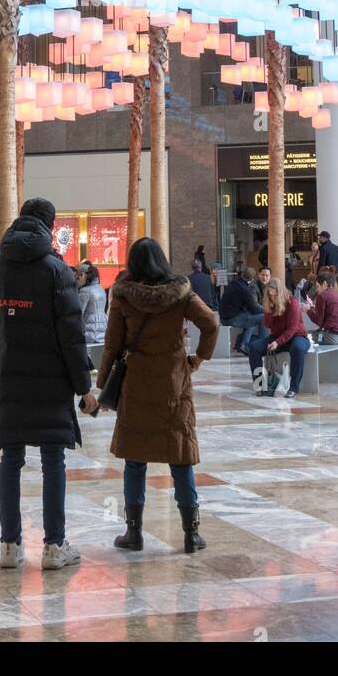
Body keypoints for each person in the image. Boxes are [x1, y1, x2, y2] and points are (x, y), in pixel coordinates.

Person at [0, 198, 93, 571]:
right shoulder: (56, 271)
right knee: (52, 458)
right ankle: (54, 546)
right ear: (48, 224)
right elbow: (71, 336)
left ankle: (9, 545)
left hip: (9, 377)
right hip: (52, 381)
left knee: (11, 457)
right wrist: (83, 385)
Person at [96, 237, 219, 554]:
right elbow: (211, 323)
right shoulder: (181, 293)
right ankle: (191, 535)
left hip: (136, 383)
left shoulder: (122, 296)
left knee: (135, 461)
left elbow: (112, 344)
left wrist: (102, 383)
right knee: (180, 458)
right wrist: (198, 360)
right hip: (173, 384)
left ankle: (133, 533)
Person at [248, 277, 310, 400]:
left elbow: (292, 329)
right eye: (270, 294)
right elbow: (267, 324)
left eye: (274, 293)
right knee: (254, 347)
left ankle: (293, 387)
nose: (272, 296)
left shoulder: (292, 303)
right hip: (277, 337)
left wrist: (277, 342)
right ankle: (260, 385)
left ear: (280, 291)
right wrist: (270, 310)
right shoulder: (270, 303)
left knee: (297, 349)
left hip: (297, 336)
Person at [218, 265, 262, 355]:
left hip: (222, 317)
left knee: (251, 318)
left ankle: (241, 343)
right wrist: (268, 310)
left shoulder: (232, 284)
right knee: (262, 317)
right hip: (231, 319)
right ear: (252, 279)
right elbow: (255, 309)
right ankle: (246, 344)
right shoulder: (245, 289)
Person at [305, 270, 338, 344]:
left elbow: (319, 321)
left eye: (317, 286)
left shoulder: (322, 296)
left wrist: (307, 310)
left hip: (331, 337)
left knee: (305, 336)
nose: (317, 290)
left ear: (325, 283)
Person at [78, 261, 107, 345]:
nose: (77, 279)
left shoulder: (85, 291)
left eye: (78, 276)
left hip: (89, 332)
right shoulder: (101, 289)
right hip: (103, 330)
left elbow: (79, 313)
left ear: (83, 275)